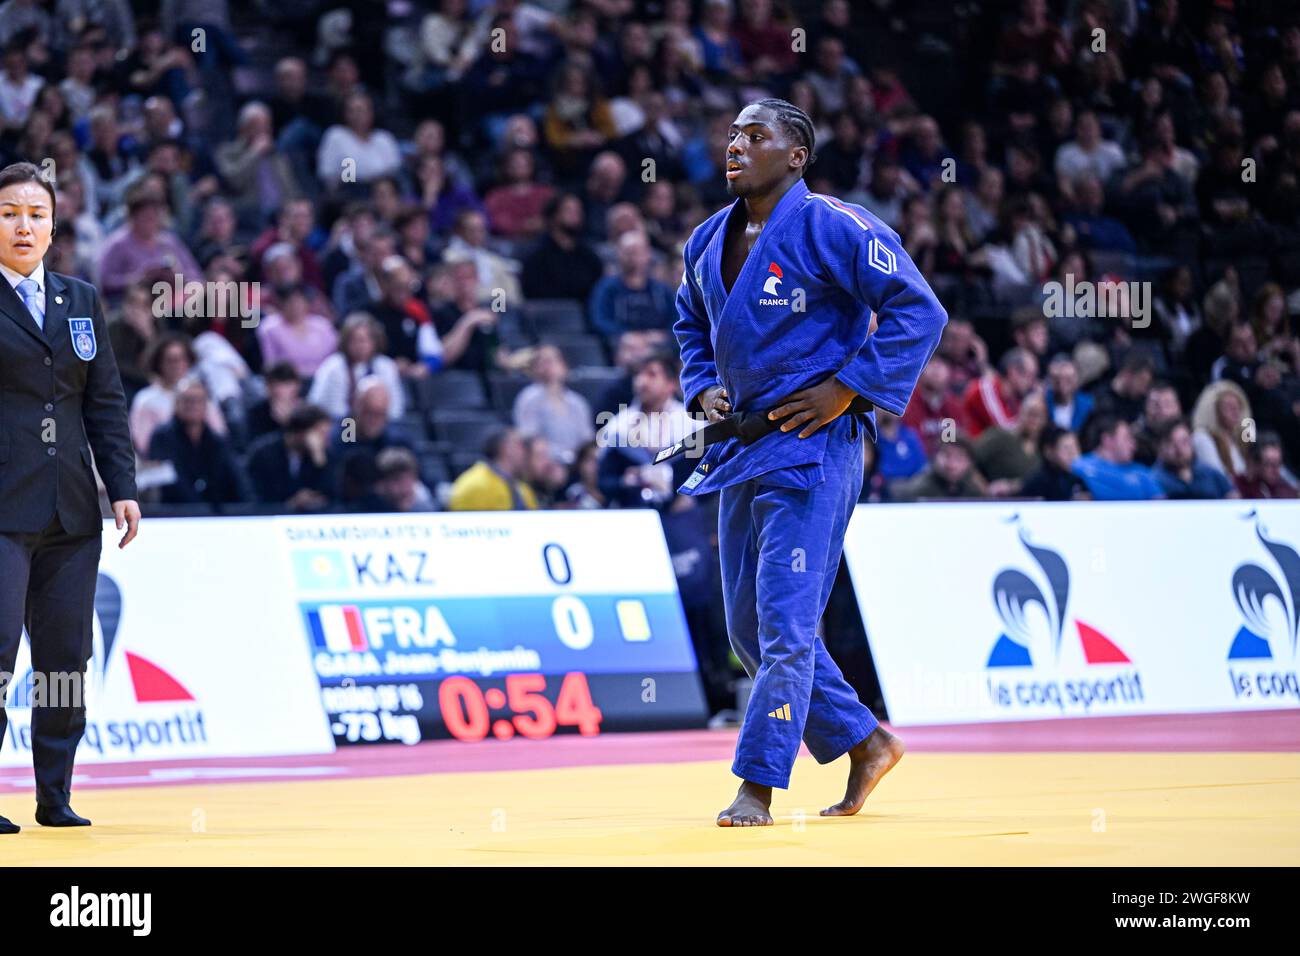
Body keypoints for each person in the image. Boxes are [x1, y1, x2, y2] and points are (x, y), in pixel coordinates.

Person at [674, 100, 946, 826]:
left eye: (755, 136)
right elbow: (689, 326)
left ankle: (756, 785)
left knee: (787, 627)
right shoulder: (706, 240)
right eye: (732, 134)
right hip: (743, 445)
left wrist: (850, 386)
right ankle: (867, 741)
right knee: (745, 633)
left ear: (796, 156)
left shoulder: (836, 224)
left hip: (815, 447)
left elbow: (920, 310)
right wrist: (701, 386)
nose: (735, 145)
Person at [0, 162, 140, 832]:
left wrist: (124, 488)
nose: (22, 225)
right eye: (8, 213)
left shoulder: (80, 299)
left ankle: (54, 795)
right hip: (1, 507)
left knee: (65, 662)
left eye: (34, 213)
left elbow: (105, 402)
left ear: (53, 226)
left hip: (72, 510)